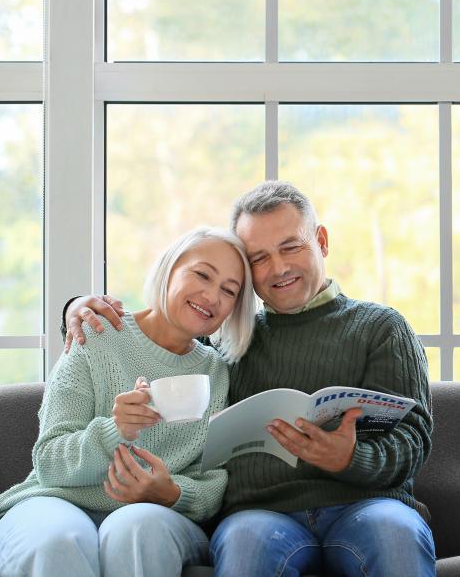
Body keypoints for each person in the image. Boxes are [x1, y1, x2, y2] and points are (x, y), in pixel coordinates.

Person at [64, 181, 436, 576]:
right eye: (259, 258)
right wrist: (79, 309)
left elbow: (413, 439)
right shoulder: (226, 336)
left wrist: (349, 457)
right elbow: (157, 333)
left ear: (321, 241)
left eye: (291, 247)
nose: (278, 268)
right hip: (259, 514)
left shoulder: (381, 328)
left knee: (395, 532)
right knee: (246, 542)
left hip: (369, 504)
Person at [0, 227, 258, 577]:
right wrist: (114, 431)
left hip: (153, 517)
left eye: (229, 290)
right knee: (58, 541)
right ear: (169, 269)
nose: (211, 295)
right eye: (202, 274)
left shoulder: (218, 373)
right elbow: (49, 461)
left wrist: (173, 493)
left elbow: (213, 484)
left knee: (136, 527)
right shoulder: (98, 335)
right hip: (55, 502)